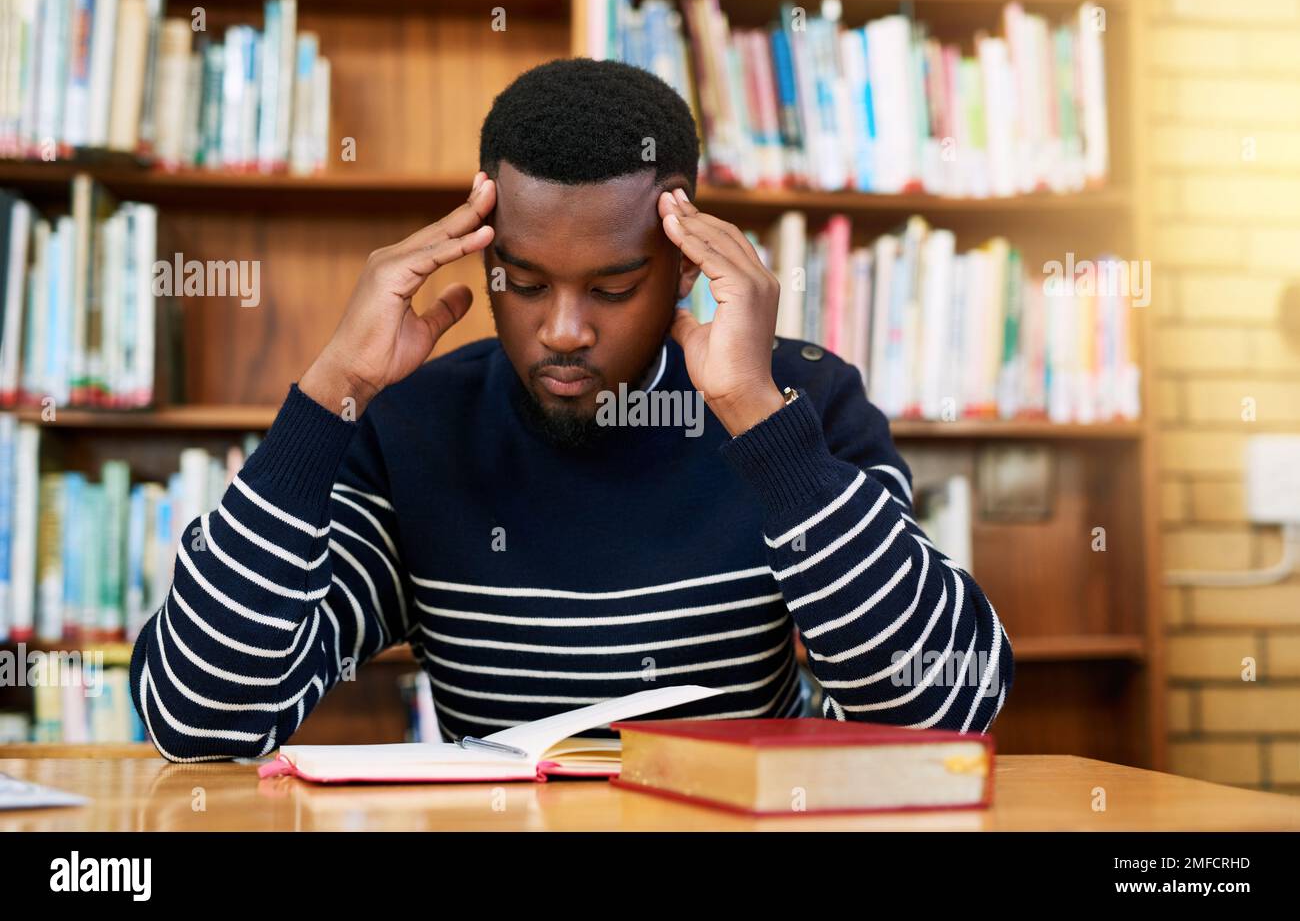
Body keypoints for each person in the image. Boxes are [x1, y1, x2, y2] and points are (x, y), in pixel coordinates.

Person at [129, 58, 1013, 761]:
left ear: (683, 263)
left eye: (614, 287)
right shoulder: (416, 424)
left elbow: (943, 708)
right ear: (482, 261)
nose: (561, 330)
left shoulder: (799, 402)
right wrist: (332, 394)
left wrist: (756, 416)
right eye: (523, 281)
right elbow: (202, 718)